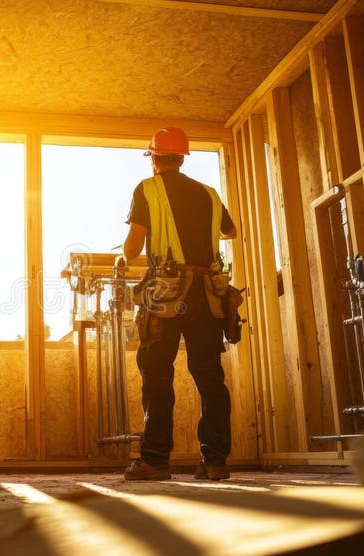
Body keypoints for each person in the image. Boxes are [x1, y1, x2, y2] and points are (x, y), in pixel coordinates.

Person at [120, 127, 237, 481]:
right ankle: (214, 461)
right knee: (209, 375)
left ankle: (155, 460)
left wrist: (124, 256)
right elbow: (229, 231)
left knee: (157, 373)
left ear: (154, 159)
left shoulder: (148, 189)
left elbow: (133, 246)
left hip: (168, 293)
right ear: (182, 157)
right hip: (206, 294)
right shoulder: (209, 194)